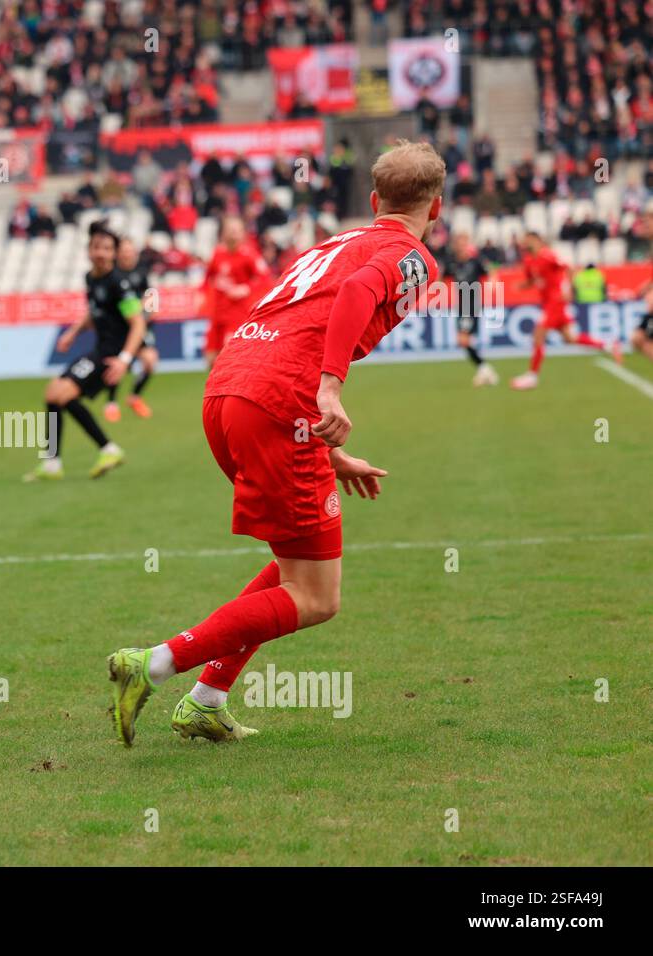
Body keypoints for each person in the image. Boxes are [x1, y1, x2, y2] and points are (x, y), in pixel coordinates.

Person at [106, 141, 445, 746]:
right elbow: (356, 296)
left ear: (373, 202)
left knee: (297, 565)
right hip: (279, 399)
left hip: (230, 390)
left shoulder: (336, 241)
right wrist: (330, 389)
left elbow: (303, 310)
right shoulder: (411, 254)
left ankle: (206, 700)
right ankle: (151, 664)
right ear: (436, 209)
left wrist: (325, 449)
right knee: (317, 595)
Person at [23, 221, 145, 482]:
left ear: (113, 253)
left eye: (107, 248)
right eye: (96, 247)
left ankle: (104, 450)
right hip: (99, 350)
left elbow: (138, 324)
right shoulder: (92, 278)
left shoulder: (118, 284)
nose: (101, 252)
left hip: (109, 356)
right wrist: (73, 332)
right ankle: (56, 461)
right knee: (54, 394)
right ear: (88, 250)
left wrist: (124, 360)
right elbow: (95, 310)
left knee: (59, 394)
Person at [510, 233, 622, 390]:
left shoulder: (547, 255)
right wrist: (521, 286)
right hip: (548, 302)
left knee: (538, 334)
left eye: (528, 239)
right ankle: (609, 345)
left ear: (537, 240)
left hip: (556, 301)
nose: (525, 242)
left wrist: (569, 288)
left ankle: (532, 376)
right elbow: (532, 280)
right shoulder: (528, 260)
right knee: (570, 338)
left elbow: (568, 268)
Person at [200, 217, 269, 368]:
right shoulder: (217, 253)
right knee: (210, 358)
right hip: (218, 313)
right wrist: (202, 294)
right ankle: (217, 389)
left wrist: (246, 288)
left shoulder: (249, 255)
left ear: (243, 233)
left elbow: (265, 278)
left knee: (229, 353)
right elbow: (208, 277)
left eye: (236, 231)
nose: (233, 234)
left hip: (237, 313)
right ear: (223, 233)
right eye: (230, 230)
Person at [103, 238, 158, 420]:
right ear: (118, 253)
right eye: (124, 250)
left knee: (150, 361)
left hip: (138, 327)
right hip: (118, 328)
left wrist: (147, 310)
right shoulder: (113, 274)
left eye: (130, 250)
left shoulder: (141, 272)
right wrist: (136, 305)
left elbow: (151, 298)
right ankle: (111, 403)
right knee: (117, 364)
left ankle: (134, 397)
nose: (128, 253)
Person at [446, 232, 498, 385]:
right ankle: (484, 370)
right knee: (464, 340)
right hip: (461, 305)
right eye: (459, 243)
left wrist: (493, 282)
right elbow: (442, 279)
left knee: (463, 339)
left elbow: (491, 272)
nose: (461, 247)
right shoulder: (452, 263)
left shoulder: (476, 261)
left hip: (472, 304)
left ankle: (485, 370)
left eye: (464, 243)